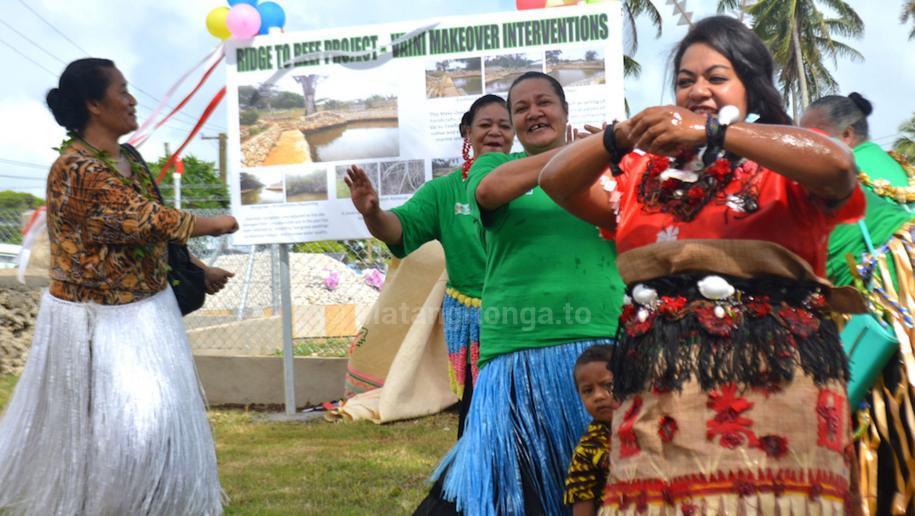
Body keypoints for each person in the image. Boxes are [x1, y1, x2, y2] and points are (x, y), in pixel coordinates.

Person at [540, 16, 864, 513]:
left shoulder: (782, 166)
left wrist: (716, 131)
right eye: (685, 81)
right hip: (657, 396)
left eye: (716, 77)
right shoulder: (640, 174)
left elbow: (840, 166)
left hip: (776, 392)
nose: (698, 91)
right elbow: (554, 181)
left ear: (750, 86)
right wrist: (619, 136)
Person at [0, 58, 238, 515]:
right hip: (95, 322)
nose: (132, 100)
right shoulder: (75, 168)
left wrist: (192, 264)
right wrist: (213, 223)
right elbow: (141, 220)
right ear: (94, 104)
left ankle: (154, 504)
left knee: (156, 423)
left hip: (147, 311)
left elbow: (152, 222)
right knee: (123, 431)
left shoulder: (128, 158)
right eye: (122, 91)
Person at [415, 71, 624, 516]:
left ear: (565, 112)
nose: (533, 112)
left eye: (543, 102)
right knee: (505, 490)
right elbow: (490, 193)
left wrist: (603, 155)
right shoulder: (495, 168)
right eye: (521, 108)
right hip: (517, 353)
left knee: (605, 481)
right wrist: (590, 146)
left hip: (601, 343)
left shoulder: (610, 170)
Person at [344, 94, 514, 435]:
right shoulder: (444, 191)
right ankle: (472, 482)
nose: (495, 132)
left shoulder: (532, 178)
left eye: (504, 125)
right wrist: (373, 213)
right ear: (467, 132)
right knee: (478, 413)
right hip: (473, 323)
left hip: (529, 317)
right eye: (485, 124)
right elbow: (399, 230)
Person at [802, 94, 915, 515]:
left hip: (886, 315)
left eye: (813, 138)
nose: (805, 149)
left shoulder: (837, 174)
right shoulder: (896, 164)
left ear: (846, 136)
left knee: (883, 445)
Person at [565, 345, 617, 516]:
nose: (598, 396)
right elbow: (582, 508)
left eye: (608, 385)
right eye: (588, 390)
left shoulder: (656, 428)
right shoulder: (587, 450)